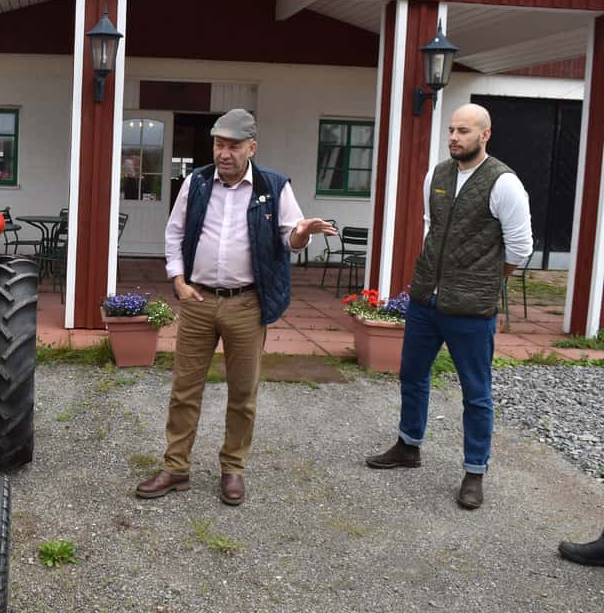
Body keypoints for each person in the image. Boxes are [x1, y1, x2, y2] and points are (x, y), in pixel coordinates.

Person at [135, 109, 335, 506]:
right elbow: (174, 233)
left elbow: (288, 240)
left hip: (246, 303)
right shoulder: (196, 183)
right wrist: (177, 279)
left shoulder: (273, 186)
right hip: (198, 301)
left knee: (242, 393)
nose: (224, 153)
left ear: (251, 147)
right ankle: (176, 467)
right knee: (184, 389)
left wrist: (300, 235)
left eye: (233, 146)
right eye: (219, 144)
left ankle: (233, 469)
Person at [365, 103, 532, 510]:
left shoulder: (504, 182)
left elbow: (521, 247)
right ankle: (409, 445)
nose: (455, 137)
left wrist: (485, 279)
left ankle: (475, 471)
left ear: (485, 135)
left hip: (471, 309)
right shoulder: (437, 175)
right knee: (412, 375)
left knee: (476, 393)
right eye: (452, 130)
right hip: (426, 299)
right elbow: (431, 226)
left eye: (464, 131)